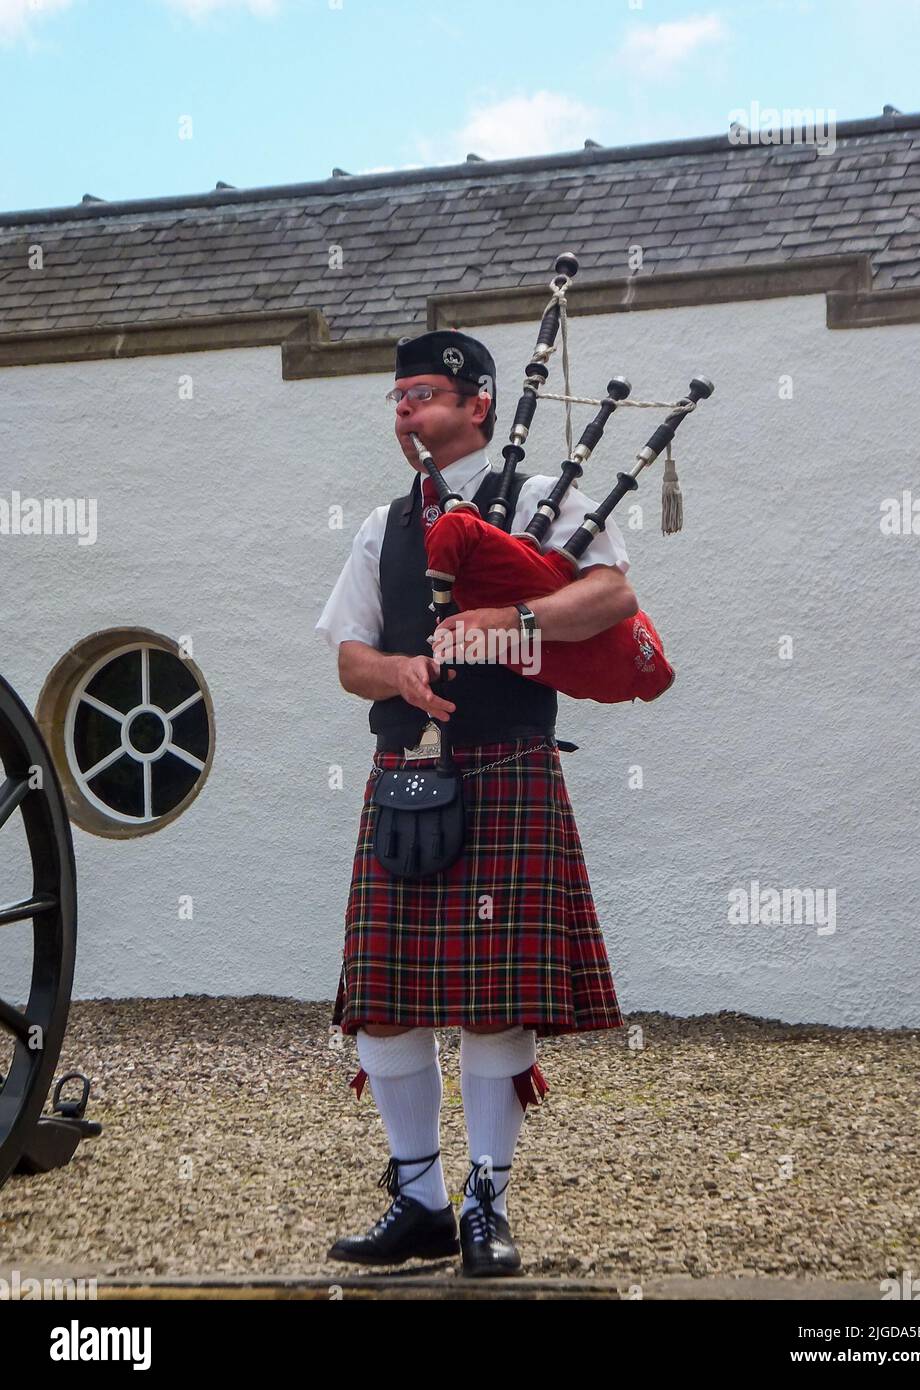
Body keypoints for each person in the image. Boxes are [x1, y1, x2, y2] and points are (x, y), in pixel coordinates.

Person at [315, 329, 636, 1277]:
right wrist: (399, 673)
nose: (406, 411)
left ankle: (486, 1205)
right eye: (397, 399)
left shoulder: (543, 500)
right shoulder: (386, 524)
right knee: (383, 1005)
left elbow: (612, 598)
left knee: (494, 1007)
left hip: (508, 766)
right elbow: (347, 659)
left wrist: (514, 618)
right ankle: (418, 1201)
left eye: (422, 394)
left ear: (479, 403)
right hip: (404, 772)